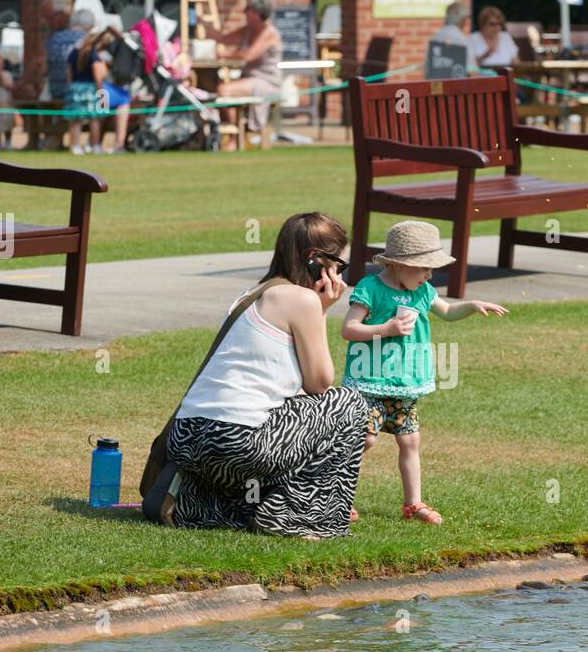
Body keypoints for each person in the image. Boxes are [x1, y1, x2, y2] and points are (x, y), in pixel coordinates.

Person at [164, 213, 368, 539]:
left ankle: (202, 510)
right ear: (317, 261)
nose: (341, 277)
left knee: (294, 415)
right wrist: (324, 308)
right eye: (339, 267)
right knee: (350, 404)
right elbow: (320, 383)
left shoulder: (253, 294)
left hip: (186, 438)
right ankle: (297, 518)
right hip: (236, 443)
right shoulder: (302, 300)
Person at [341, 221, 508, 525]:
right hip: (368, 384)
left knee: (410, 442)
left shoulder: (424, 290)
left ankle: (413, 504)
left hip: (404, 387)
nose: (430, 274)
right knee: (362, 441)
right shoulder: (370, 289)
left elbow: (447, 312)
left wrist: (471, 305)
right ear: (399, 264)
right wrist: (385, 328)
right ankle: (339, 500)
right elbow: (348, 329)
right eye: (424, 268)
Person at [212, 0, 283, 140]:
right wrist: (203, 24)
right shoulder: (248, 30)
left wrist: (225, 54)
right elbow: (223, 38)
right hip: (248, 78)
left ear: (258, 13)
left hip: (266, 82)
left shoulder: (269, 33)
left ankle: (234, 138)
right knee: (217, 87)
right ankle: (231, 135)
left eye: (248, 9)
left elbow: (248, 56)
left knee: (224, 90)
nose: (243, 11)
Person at [64, 26, 130, 154]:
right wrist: (102, 96)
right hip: (91, 88)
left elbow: (69, 74)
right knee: (95, 119)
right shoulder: (93, 54)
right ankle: (95, 146)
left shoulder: (75, 52)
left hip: (75, 88)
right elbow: (98, 77)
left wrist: (70, 88)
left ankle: (75, 146)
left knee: (75, 120)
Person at [46, 5, 88, 101]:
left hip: (56, 92)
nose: (48, 22)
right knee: (121, 99)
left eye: (50, 18)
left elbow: (44, 67)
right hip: (80, 94)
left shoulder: (54, 38)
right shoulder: (86, 39)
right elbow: (100, 80)